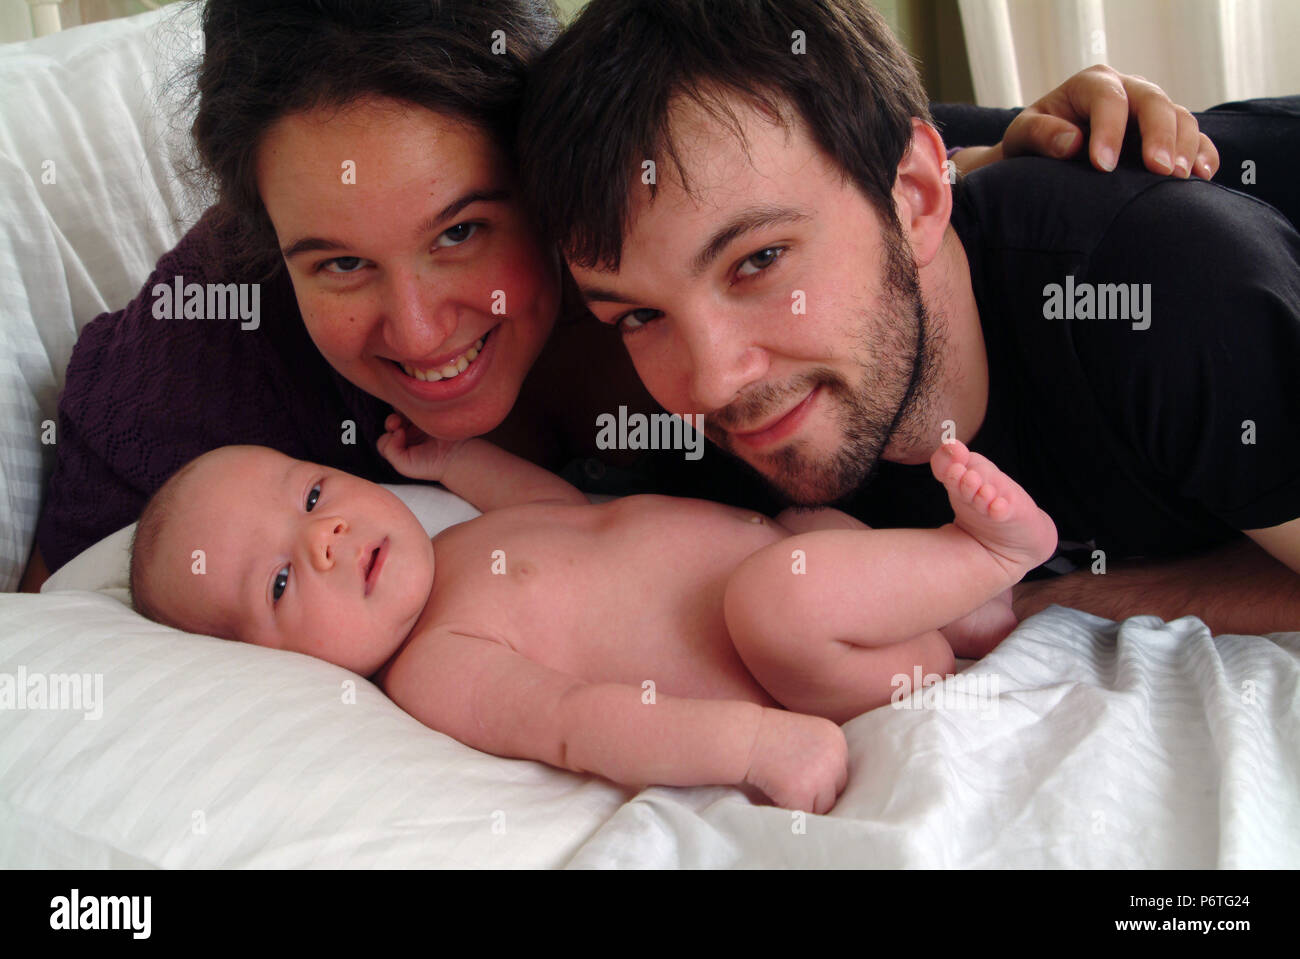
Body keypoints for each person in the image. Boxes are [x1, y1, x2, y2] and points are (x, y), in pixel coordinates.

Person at [21, 0, 1217, 593]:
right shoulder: (199, 369)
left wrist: (1041, 154)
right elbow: (67, 623)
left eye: (464, 231)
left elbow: (842, 166)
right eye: (335, 261)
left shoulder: (668, 244)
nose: (423, 327)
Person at [513, 0, 1300, 634]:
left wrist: (1050, 604)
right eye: (640, 314)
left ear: (918, 198)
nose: (713, 382)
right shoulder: (720, 419)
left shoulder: (1160, 299)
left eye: (757, 261)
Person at [127, 420, 1056, 813]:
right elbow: (580, 725)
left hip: (809, 563)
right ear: (269, 668)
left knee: (808, 533)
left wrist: (456, 461)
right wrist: (753, 744)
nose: (325, 536)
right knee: (782, 593)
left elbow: (566, 517)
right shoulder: (435, 667)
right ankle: (989, 557)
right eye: (282, 583)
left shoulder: (452, 547)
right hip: (797, 659)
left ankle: (966, 615)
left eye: (314, 492)